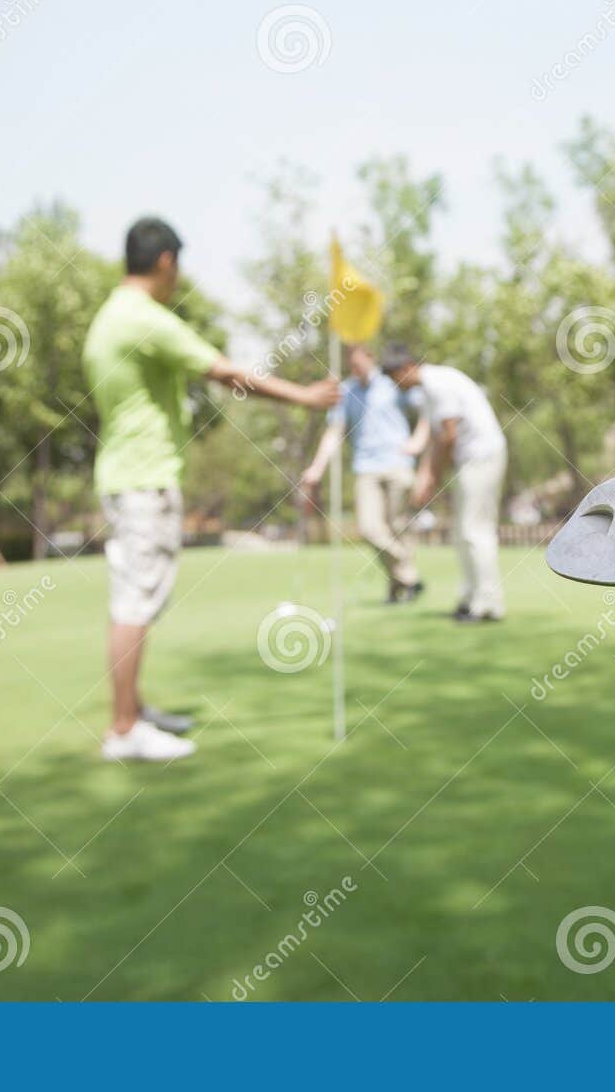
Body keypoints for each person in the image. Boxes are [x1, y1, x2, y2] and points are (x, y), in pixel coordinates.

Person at [84, 216, 340, 762]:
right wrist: (304, 396)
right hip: (144, 478)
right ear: (166, 261)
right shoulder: (144, 318)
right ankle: (124, 729)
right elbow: (225, 373)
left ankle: (133, 710)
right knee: (135, 602)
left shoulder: (109, 317)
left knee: (132, 598)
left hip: (124, 474)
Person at [381, 345, 508, 623]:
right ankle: (470, 598)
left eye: (394, 378)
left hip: (482, 456)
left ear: (407, 368)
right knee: (462, 531)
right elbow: (433, 437)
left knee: (475, 530)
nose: (395, 385)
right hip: (469, 460)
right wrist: (426, 478)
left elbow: (448, 437)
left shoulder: (437, 385)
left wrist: (433, 480)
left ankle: (488, 603)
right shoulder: (427, 390)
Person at [299, 343, 429, 603]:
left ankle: (398, 589)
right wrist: (317, 467)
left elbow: (426, 410)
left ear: (371, 358)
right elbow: (334, 431)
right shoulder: (347, 391)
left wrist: (418, 441)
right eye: (352, 365)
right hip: (366, 467)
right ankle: (409, 575)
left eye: (359, 363)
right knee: (370, 529)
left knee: (398, 528)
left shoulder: (392, 383)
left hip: (398, 463)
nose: (355, 369)